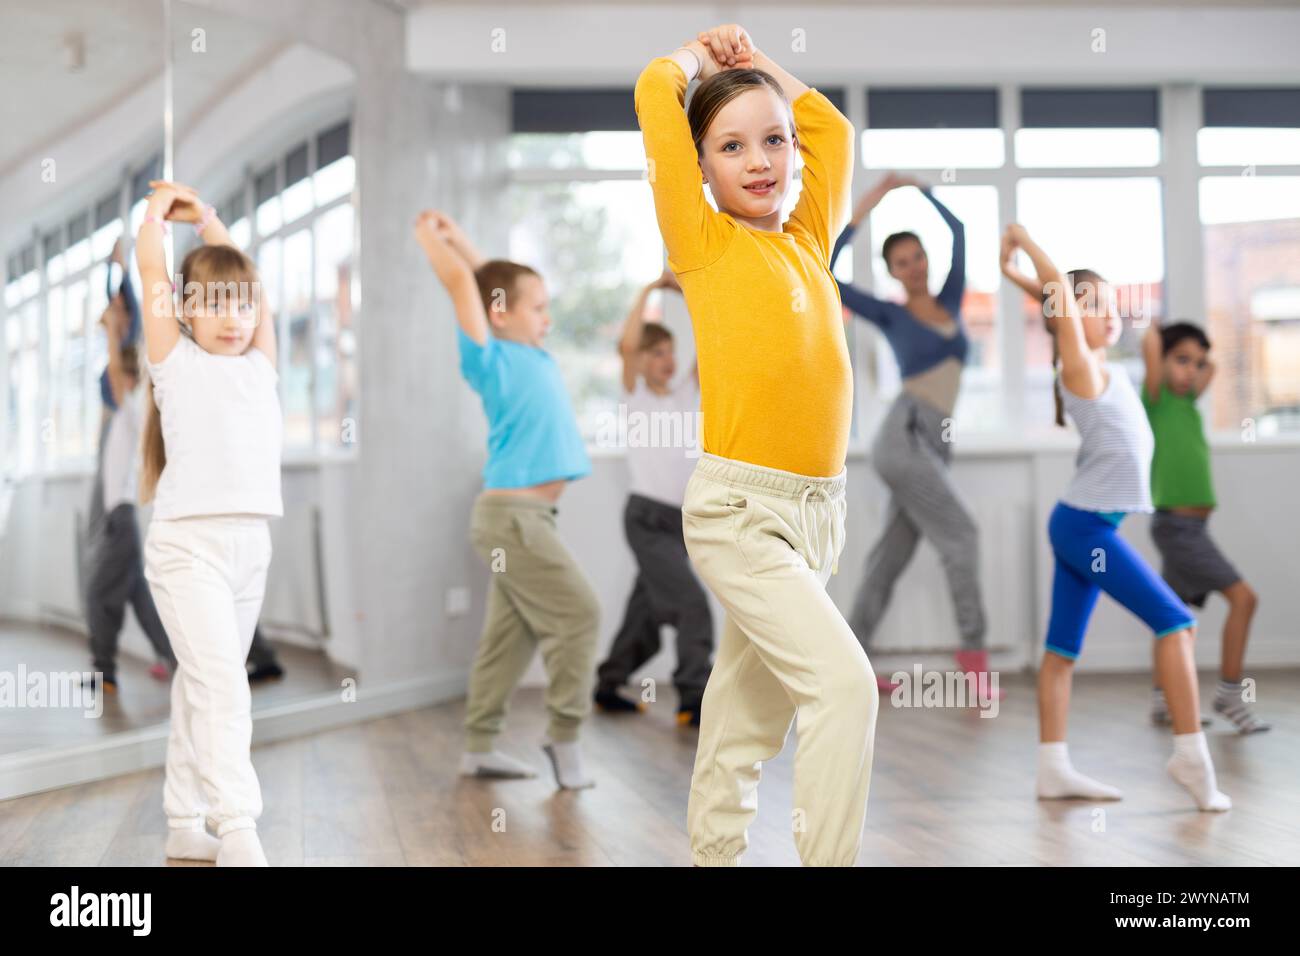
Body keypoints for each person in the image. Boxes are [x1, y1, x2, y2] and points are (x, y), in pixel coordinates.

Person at [637, 23, 879, 866]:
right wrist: (701, 60)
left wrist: (761, 69)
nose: (760, 158)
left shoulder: (810, 242)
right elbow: (650, 95)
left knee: (742, 724)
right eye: (732, 146)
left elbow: (835, 133)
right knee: (845, 688)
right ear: (701, 167)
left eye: (773, 139)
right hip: (742, 512)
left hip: (818, 519)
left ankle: (712, 857)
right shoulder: (703, 246)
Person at [1002, 223, 1230, 812]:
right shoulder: (1080, 368)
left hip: (1080, 524)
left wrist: (1014, 277)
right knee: (1176, 622)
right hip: (1087, 531)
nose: (1110, 313)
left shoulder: (1101, 363)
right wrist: (1024, 239)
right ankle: (1192, 757)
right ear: (1071, 320)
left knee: (1060, 652)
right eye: (1093, 305)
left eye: (1108, 303)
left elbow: (1054, 305)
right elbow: (1059, 299)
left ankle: (1052, 770)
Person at [415, 209, 600, 790]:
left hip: (529, 519)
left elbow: (488, 280)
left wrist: (464, 239)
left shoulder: (530, 354)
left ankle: (478, 746)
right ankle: (563, 738)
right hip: (511, 520)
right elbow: (465, 286)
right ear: (503, 314)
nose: (548, 316)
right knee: (580, 615)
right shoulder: (488, 359)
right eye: (538, 307)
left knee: (508, 638)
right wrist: (429, 238)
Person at [138, 180, 284, 865]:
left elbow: (248, 278)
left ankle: (183, 820)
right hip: (187, 549)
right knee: (225, 684)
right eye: (214, 304)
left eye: (243, 305)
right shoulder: (175, 364)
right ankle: (238, 827)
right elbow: (150, 271)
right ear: (186, 311)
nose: (233, 317)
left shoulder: (261, 367)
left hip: (250, 545)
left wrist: (214, 222)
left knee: (204, 685)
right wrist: (160, 219)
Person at [831, 172, 996, 695]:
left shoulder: (950, 300)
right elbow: (824, 267)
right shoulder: (889, 313)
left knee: (889, 557)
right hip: (902, 436)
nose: (914, 267)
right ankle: (974, 658)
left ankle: (849, 668)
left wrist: (922, 192)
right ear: (892, 272)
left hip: (934, 441)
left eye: (918, 256)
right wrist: (871, 203)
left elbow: (962, 233)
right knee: (963, 535)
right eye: (902, 262)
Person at [593, 269, 713, 726]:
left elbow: (710, 336)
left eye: (670, 352)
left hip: (680, 522)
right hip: (645, 519)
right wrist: (650, 289)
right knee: (692, 605)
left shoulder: (686, 393)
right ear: (640, 360)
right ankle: (693, 697)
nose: (666, 359)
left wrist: (691, 291)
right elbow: (625, 344)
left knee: (645, 612)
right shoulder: (635, 393)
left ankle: (608, 684)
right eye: (656, 352)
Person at [1141, 320, 1267, 733]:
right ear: (1160, 363)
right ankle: (1230, 692)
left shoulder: (1188, 403)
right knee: (1244, 599)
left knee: (1170, 615)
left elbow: (1210, 366)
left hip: (1188, 529)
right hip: (1177, 527)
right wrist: (1159, 334)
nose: (1191, 371)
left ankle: (1163, 699)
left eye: (1196, 363)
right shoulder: (1155, 399)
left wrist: (1194, 352)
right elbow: (1150, 342)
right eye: (1181, 361)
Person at [82, 298, 176, 692]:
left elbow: (119, 371)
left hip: (120, 519)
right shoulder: (128, 408)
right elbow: (117, 374)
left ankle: (105, 671)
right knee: (138, 595)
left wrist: (111, 331)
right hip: (121, 517)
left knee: (98, 590)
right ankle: (174, 659)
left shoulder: (136, 404)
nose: (109, 376)